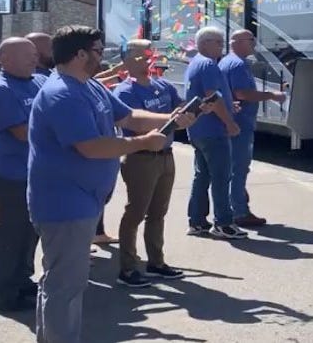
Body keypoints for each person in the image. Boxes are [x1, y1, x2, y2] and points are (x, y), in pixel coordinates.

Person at [28, 25, 195, 343]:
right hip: (64, 203)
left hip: (84, 200)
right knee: (65, 285)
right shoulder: (61, 93)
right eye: (97, 51)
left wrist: (171, 117)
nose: (102, 57)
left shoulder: (88, 85)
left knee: (65, 283)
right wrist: (144, 143)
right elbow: (90, 146)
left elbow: (129, 117)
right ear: (80, 55)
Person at [113, 39, 203, 287]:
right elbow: (134, 122)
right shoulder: (125, 92)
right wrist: (171, 118)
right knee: (135, 213)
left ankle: (156, 262)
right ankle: (128, 268)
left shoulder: (162, 85)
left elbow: (180, 108)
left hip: (165, 156)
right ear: (126, 61)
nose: (147, 60)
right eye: (140, 56)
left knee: (158, 213)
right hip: (140, 157)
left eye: (149, 54)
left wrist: (192, 112)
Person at [0, 38, 48, 312]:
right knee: (12, 235)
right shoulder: (0, 90)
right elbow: (22, 133)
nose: (35, 59)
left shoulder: (39, 81)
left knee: (30, 234)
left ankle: (22, 280)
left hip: (36, 173)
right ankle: (4, 294)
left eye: (35, 54)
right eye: (27, 55)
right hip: (12, 176)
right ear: (5, 59)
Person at [186, 26, 247, 240]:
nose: (222, 46)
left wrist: (230, 106)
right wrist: (229, 122)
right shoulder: (208, 64)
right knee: (221, 177)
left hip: (198, 130)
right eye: (218, 42)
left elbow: (210, 97)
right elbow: (213, 97)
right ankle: (223, 222)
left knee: (202, 176)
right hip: (213, 131)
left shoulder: (196, 63)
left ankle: (197, 222)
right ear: (204, 43)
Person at [219, 29, 285, 228]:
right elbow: (242, 93)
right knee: (239, 168)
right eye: (251, 40)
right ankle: (240, 211)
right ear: (237, 42)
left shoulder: (227, 62)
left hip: (236, 122)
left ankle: (235, 206)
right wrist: (271, 95)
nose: (254, 44)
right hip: (240, 123)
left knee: (232, 168)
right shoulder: (237, 64)